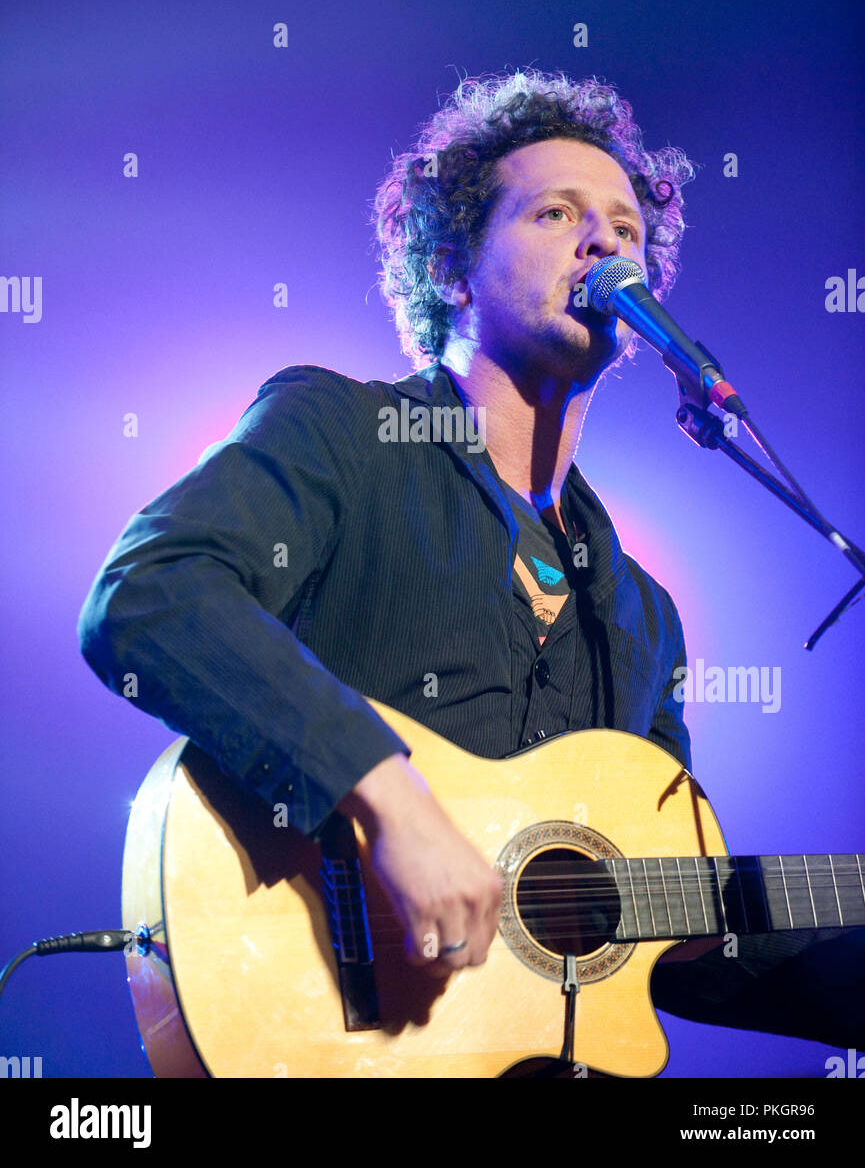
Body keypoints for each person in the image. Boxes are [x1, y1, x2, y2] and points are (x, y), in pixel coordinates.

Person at [78, 69, 863, 1064]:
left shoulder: (642, 615)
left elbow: (670, 931)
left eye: (625, 226)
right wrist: (383, 792)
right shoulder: (344, 436)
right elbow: (148, 593)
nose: (604, 242)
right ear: (452, 265)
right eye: (556, 212)